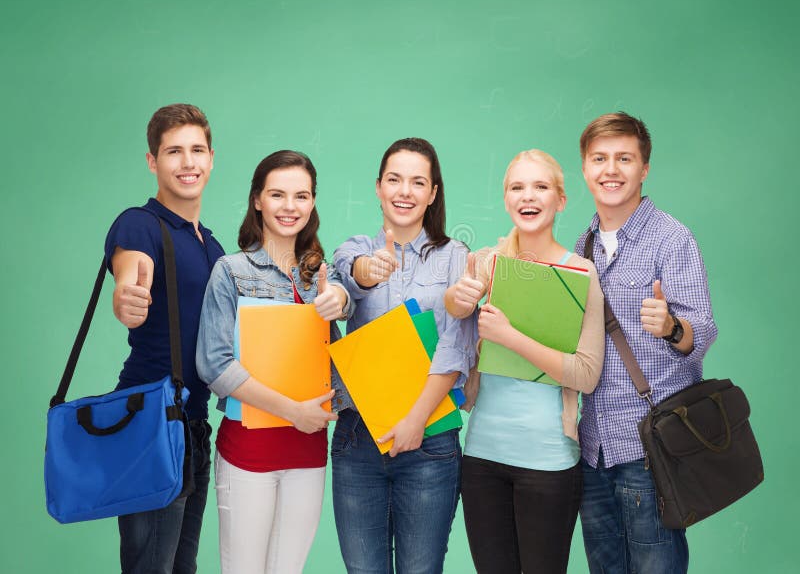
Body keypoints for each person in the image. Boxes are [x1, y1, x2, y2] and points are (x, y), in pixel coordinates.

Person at [444, 149, 605, 574]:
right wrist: (457, 298)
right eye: (517, 187)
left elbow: (586, 375)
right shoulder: (485, 262)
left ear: (560, 200)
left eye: (540, 186)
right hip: (482, 459)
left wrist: (510, 337)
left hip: (549, 463)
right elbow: (454, 312)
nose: (527, 196)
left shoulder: (581, 273)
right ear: (506, 199)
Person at [196, 150, 351, 574]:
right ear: (257, 200)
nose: (289, 206)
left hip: (308, 451)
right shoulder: (230, 271)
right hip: (249, 451)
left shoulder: (321, 275)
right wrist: (293, 412)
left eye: (301, 196)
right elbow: (215, 365)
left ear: (313, 202)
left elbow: (346, 299)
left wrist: (338, 298)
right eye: (277, 194)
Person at [575, 112, 717, 574]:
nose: (611, 170)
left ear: (644, 169)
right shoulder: (583, 246)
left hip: (650, 449)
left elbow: (702, 331)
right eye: (600, 158)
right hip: (594, 449)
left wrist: (673, 326)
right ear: (585, 168)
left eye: (624, 158)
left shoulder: (672, 239)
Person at [331, 137, 477, 574]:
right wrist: (366, 271)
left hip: (430, 441)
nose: (404, 192)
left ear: (433, 193)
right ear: (378, 187)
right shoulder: (355, 248)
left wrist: (416, 419)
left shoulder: (456, 258)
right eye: (394, 180)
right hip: (358, 438)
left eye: (418, 182)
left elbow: (456, 346)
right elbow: (347, 278)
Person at [105, 103, 224, 574]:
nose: (188, 162)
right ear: (153, 161)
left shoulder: (212, 245)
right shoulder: (140, 224)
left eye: (197, 150)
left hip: (194, 425)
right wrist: (127, 297)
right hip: (151, 422)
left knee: (181, 567)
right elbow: (131, 273)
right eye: (174, 151)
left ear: (211, 159)